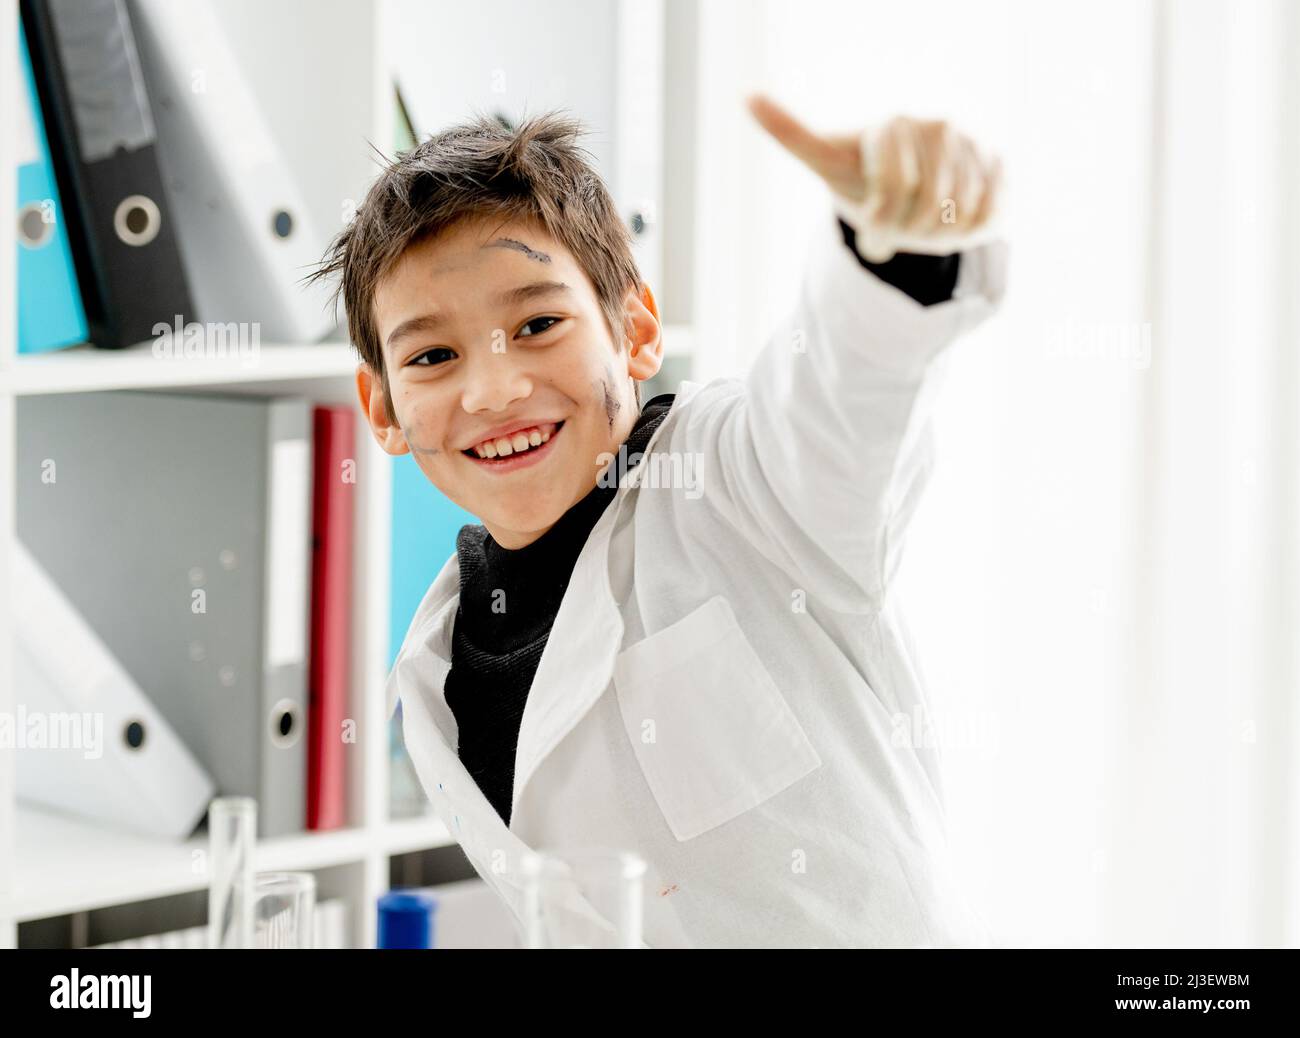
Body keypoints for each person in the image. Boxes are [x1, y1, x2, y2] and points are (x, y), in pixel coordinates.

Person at [308, 95, 1008, 947]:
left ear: (635, 329)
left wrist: (895, 249)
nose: (491, 391)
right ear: (381, 408)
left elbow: (846, 394)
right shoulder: (437, 678)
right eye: (431, 356)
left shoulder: (744, 484)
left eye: (537, 324)